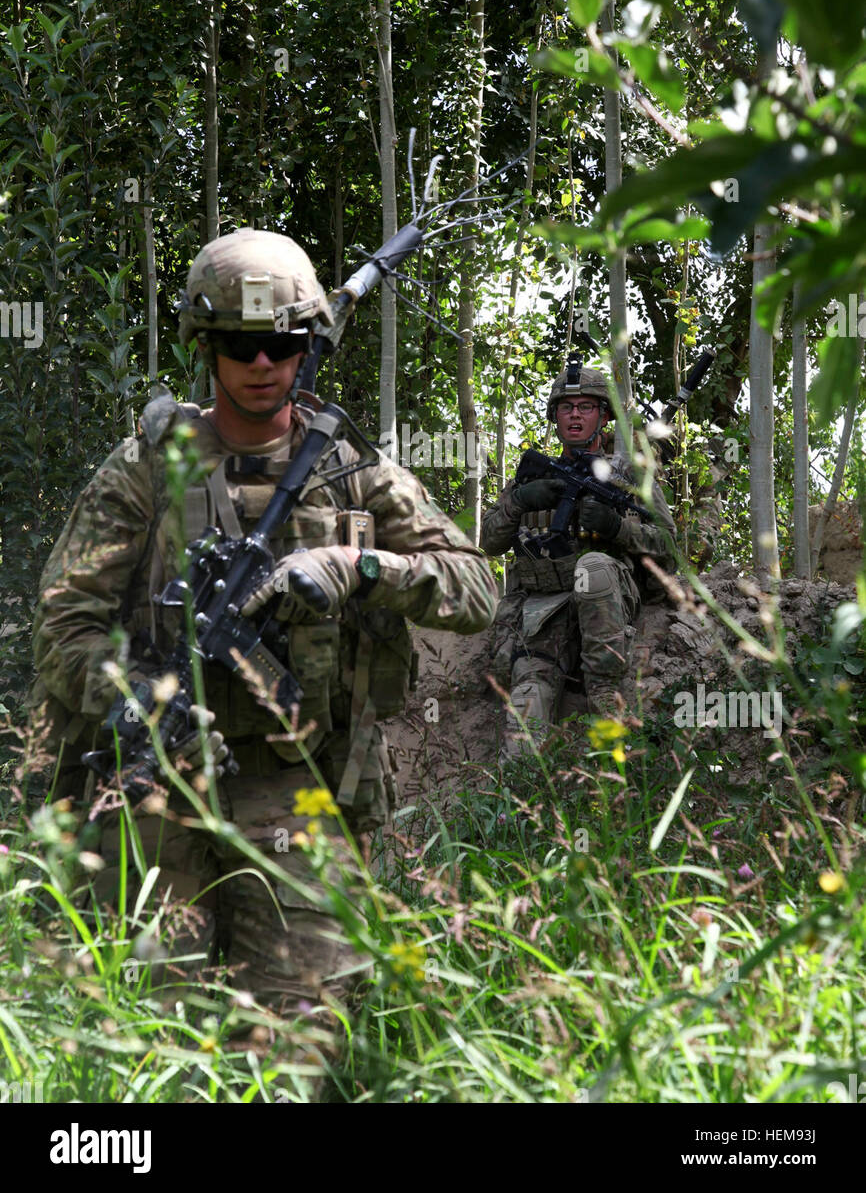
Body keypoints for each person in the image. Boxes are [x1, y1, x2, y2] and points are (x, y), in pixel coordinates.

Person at [30, 227, 497, 1044]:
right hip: (157, 789)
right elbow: (64, 621)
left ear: (306, 345)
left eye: (281, 343)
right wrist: (136, 697)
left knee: (297, 1044)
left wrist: (362, 566)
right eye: (241, 344)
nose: (261, 364)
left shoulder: (353, 470)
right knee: (151, 1043)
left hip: (301, 789)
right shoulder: (148, 467)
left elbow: (477, 589)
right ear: (206, 346)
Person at [480, 363, 676, 750]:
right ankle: (515, 807)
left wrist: (617, 527)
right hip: (542, 614)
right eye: (567, 407)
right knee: (525, 719)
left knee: (594, 566)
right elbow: (489, 542)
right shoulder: (533, 474)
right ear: (555, 416)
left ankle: (603, 692)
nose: (575, 415)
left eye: (586, 407)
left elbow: (669, 549)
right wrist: (520, 500)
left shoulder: (630, 475)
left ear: (603, 416)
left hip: (607, 605)